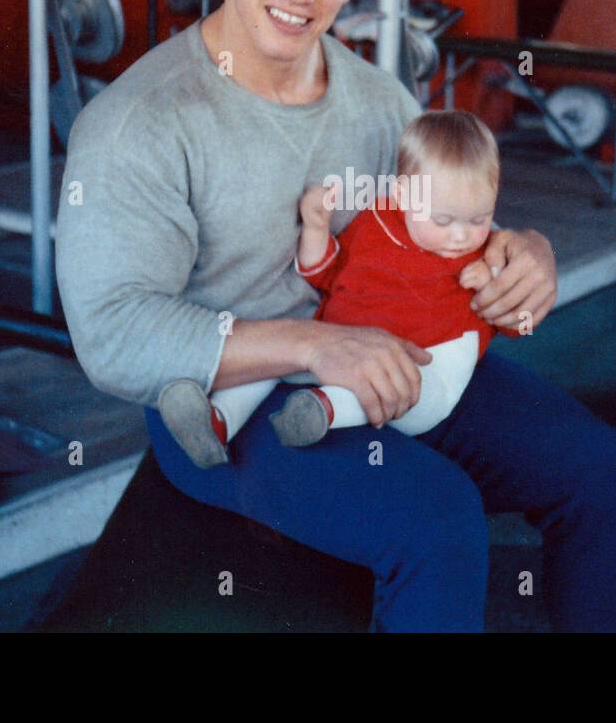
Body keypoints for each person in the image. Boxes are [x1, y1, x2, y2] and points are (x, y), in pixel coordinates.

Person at [55, 0, 616, 632]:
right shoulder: (142, 121)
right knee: (438, 521)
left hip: (393, 351)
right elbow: (113, 338)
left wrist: (521, 247)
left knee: (596, 467)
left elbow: (441, 212)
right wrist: (313, 348)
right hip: (228, 399)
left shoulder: (379, 101)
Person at [156, 110, 524, 466]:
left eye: (480, 218)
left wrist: (493, 286)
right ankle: (217, 420)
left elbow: (517, 322)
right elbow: (328, 273)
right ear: (401, 196)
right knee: (268, 362)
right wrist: (316, 228)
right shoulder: (375, 223)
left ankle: (322, 410)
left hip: (425, 365)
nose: (461, 236)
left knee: (403, 386)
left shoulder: (487, 254)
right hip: (339, 344)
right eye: (443, 220)